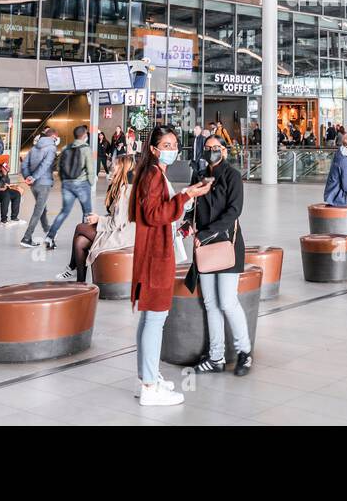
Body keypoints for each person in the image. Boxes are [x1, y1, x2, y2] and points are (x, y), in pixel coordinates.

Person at [130, 126, 212, 406]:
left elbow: (157, 214)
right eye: (165, 144)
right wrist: (186, 195)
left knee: (149, 320)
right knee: (155, 320)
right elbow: (155, 215)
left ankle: (148, 377)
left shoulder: (152, 173)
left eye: (174, 143)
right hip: (156, 257)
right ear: (153, 149)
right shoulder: (153, 175)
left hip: (155, 250)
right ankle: (150, 388)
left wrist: (184, 206)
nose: (171, 149)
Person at [182, 132, 253, 376]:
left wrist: (206, 234)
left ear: (224, 150)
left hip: (225, 245)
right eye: (208, 147)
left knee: (228, 302)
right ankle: (216, 357)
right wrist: (187, 224)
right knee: (211, 304)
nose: (211, 151)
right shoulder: (200, 176)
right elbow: (193, 206)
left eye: (216, 147)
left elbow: (234, 211)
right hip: (204, 248)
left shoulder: (232, 176)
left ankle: (244, 352)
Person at [57, 154, 133, 282]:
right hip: (117, 229)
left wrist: (98, 219)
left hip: (123, 234)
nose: (112, 165)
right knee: (80, 241)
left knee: (80, 227)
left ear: (122, 167)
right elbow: (115, 216)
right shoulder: (118, 186)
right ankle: (80, 282)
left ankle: (72, 267)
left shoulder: (126, 190)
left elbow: (117, 222)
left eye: (115, 163)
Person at [47, 124, 93, 248]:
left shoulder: (66, 148)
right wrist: (91, 183)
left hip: (67, 183)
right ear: (84, 135)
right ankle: (85, 239)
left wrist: (64, 180)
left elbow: (58, 166)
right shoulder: (86, 148)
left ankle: (50, 236)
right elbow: (90, 169)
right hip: (82, 183)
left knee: (64, 212)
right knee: (87, 213)